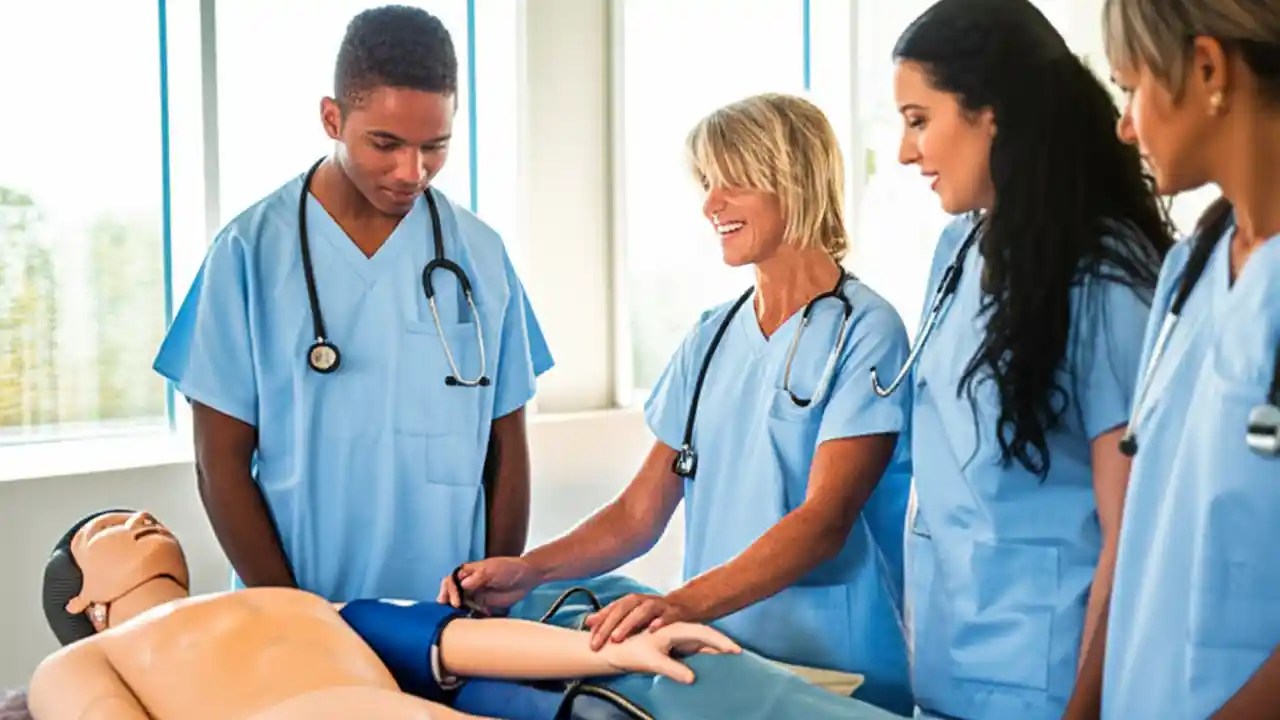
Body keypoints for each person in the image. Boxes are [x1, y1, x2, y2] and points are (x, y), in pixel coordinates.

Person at [439, 92, 916, 714]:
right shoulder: (711, 336)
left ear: (792, 180)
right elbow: (640, 513)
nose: (711, 204)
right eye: (707, 183)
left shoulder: (868, 331)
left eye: (732, 182)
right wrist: (528, 571)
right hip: (723, 654)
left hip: (834, 666)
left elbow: (824, 522)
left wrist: (682, 603)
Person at [152, 6, 553, 602]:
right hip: (299, 613)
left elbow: (507, 448)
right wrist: (292, 618)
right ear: (332, 118)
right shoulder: (249, 252)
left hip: (447, 618)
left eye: (435, 147)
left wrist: (488, 602)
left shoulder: (480, 256)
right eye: (385, 144)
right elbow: (220, 464)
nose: (411, 172)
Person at [883, 1, 1174, 718]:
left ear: (993, 113)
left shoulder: (1103, 277)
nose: (903, 151)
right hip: (948, 671)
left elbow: (1130, 530)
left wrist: (1085, 707)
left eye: (920, 120)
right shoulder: (957, 253)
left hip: (1048, 688)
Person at [30, 509, 739, 720]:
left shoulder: (298, 601)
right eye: (110, 527)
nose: (145, 519)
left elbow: (457, 643)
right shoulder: (76, 662)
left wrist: (609, 651)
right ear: (78, 601)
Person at [1098, 2, 1280, 718]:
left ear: (1207, 68)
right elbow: (1145, 534)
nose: (1124, 125)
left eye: (1129, 88)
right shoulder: (1188, 272)